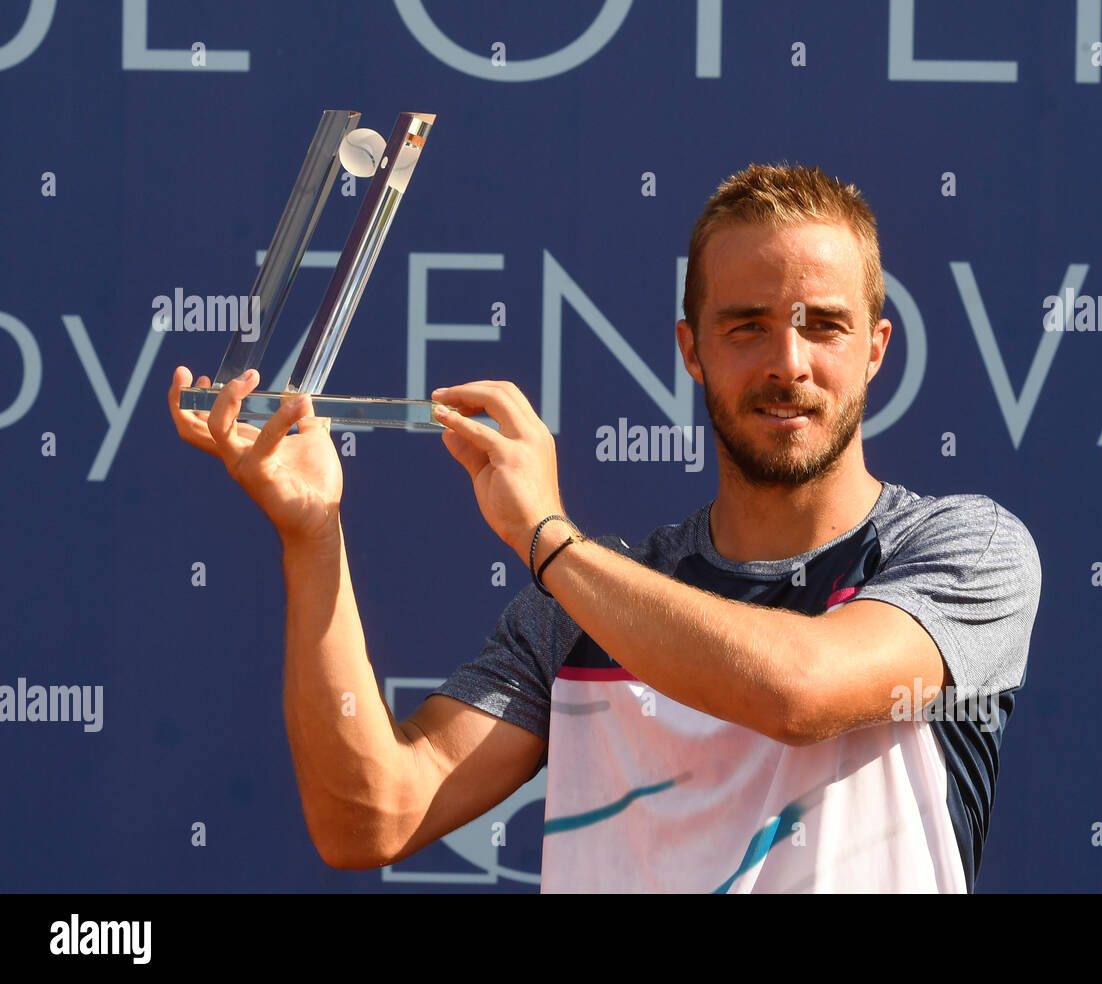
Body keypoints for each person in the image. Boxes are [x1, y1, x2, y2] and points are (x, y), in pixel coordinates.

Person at [168, 163, 1041, 893]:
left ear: (877, 347)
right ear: (690, 349)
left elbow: (796, 695)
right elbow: (371, 816)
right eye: (746, 327)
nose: (788, 361)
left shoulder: (965, 548)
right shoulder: (583, 605)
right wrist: (312, 538)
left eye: (824, 325)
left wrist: (548, 536)